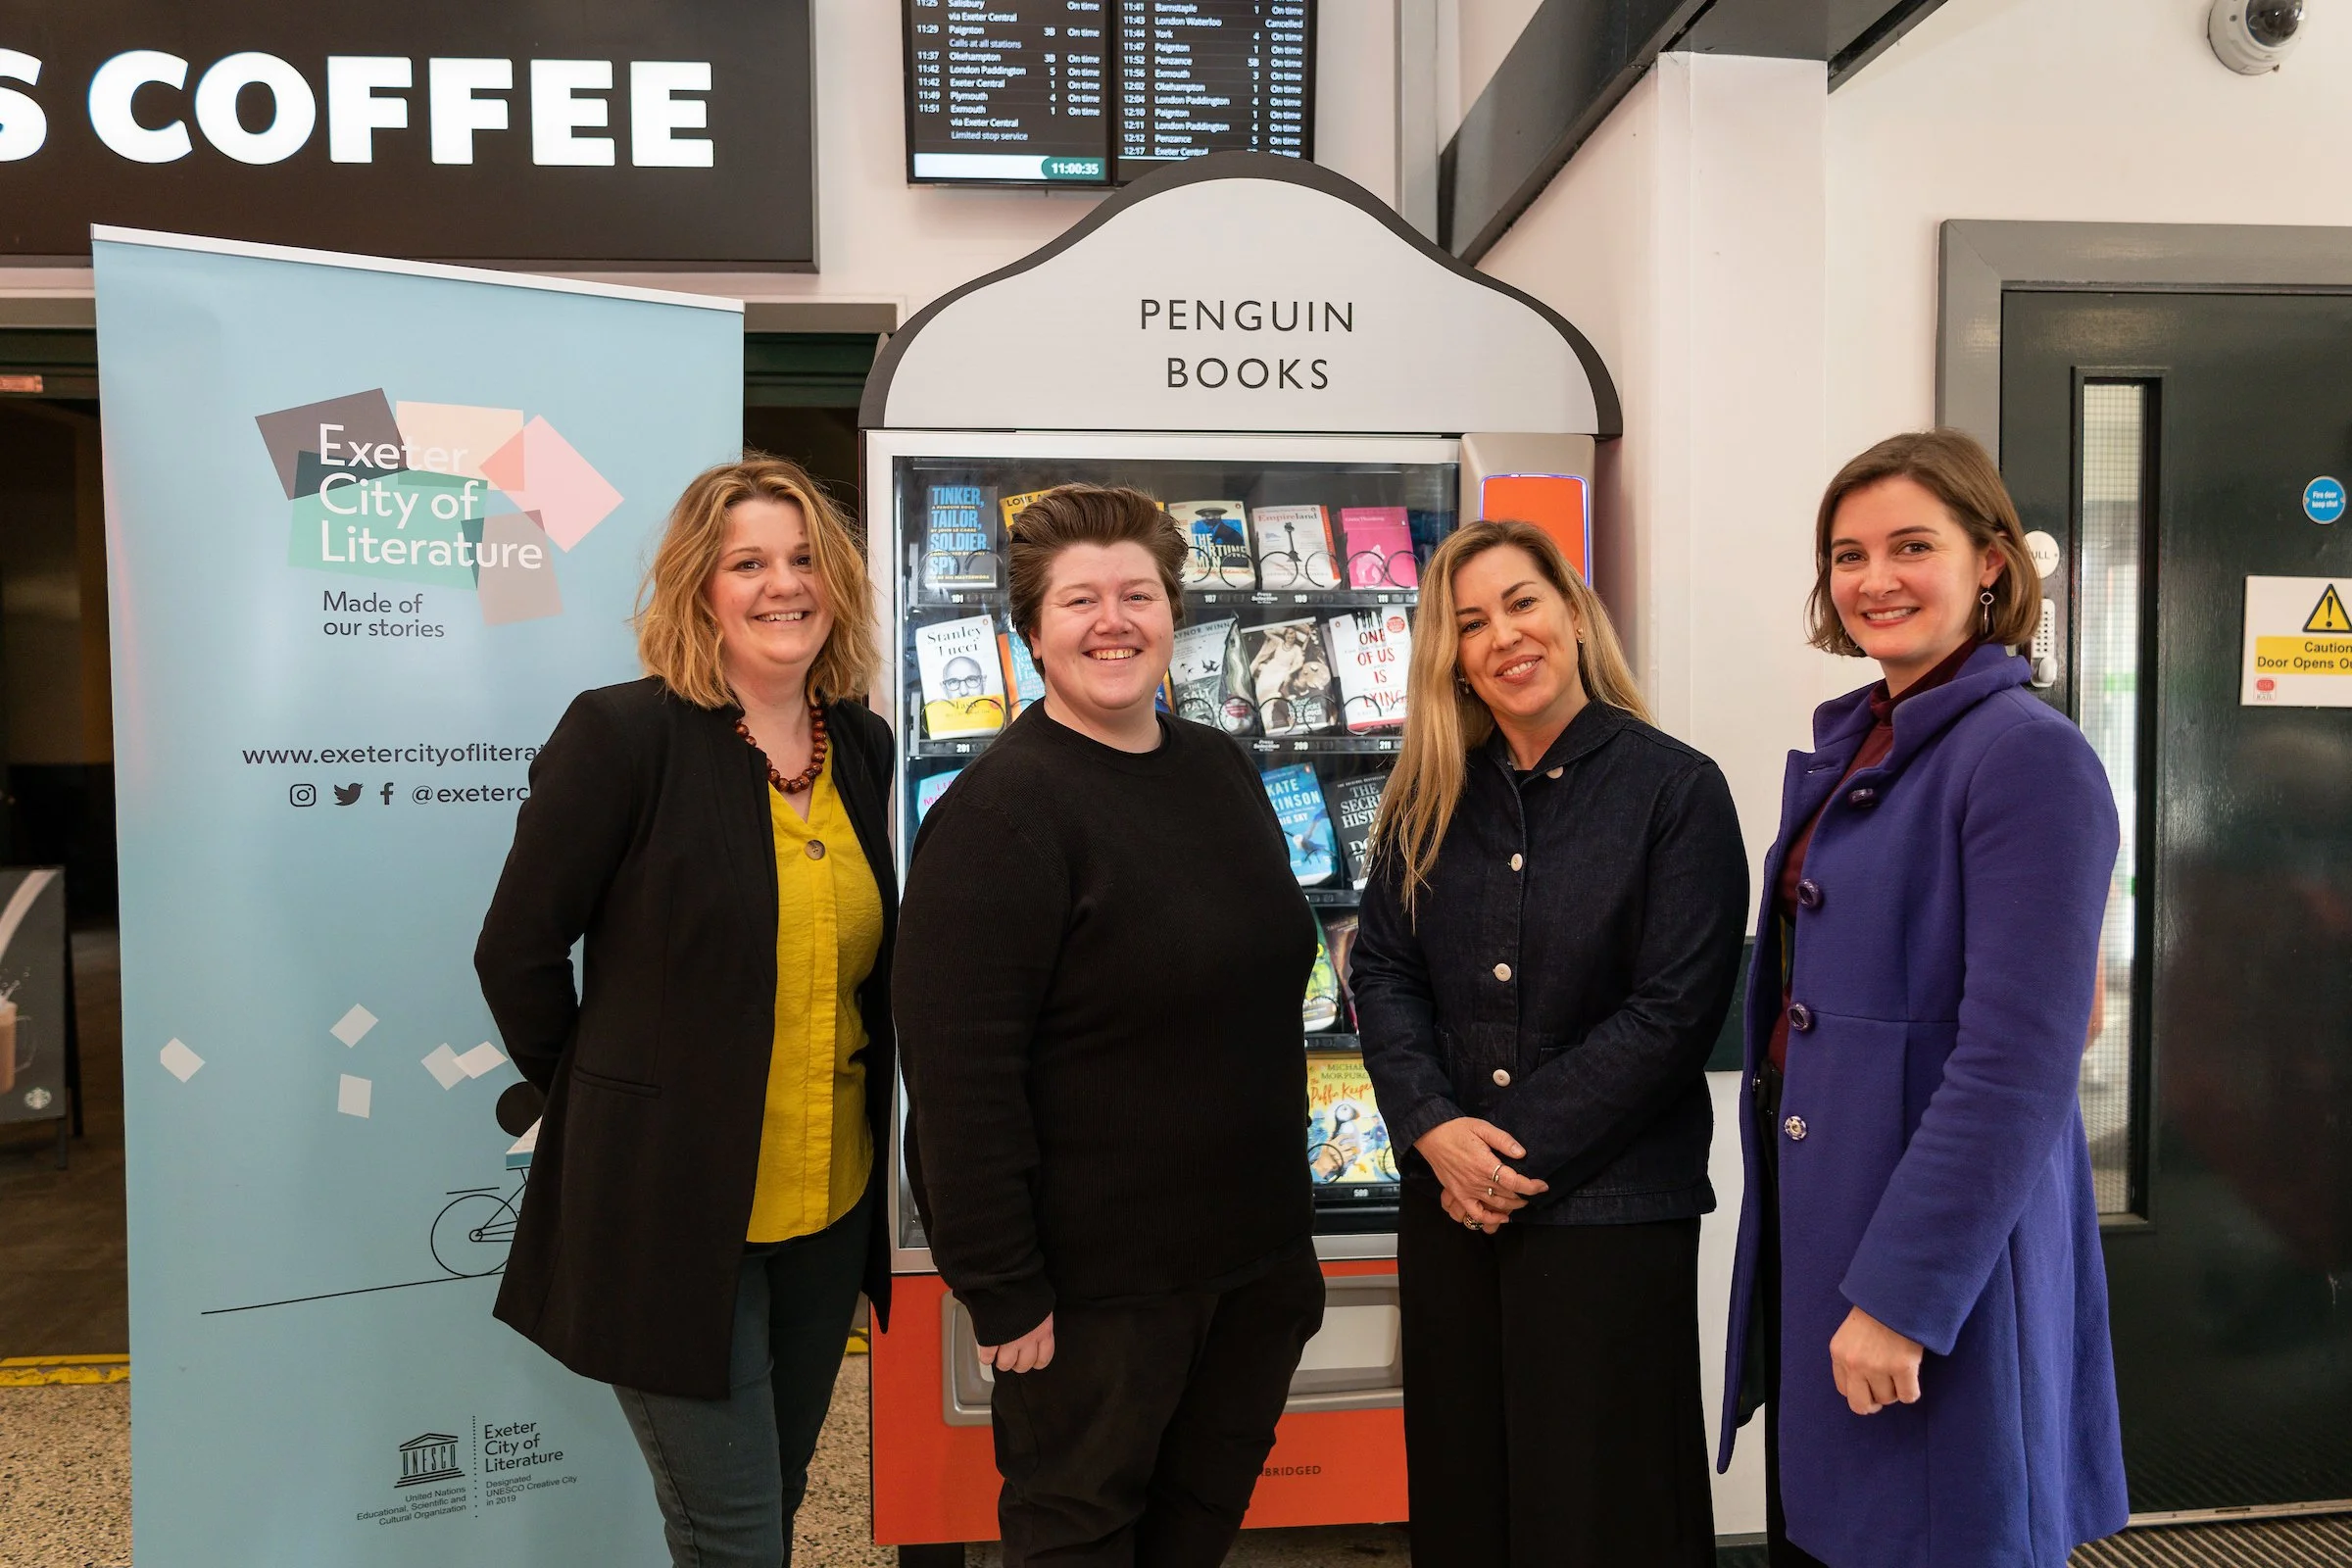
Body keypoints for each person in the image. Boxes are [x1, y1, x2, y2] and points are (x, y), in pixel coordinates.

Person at [474, 455, 896, 1568]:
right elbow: (516, 949)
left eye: (805, 559)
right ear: (699, 587)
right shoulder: (623, 738)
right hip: (666, 1211)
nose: (782, 584)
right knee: (735, 1532)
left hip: (828, 1202)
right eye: (747, 562)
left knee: (776, 1490)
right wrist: (606, 1103)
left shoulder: (861, 745)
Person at [1717, 429, 2129, 1567]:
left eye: (1912, 546)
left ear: (1990, 562)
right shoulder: (1874, 739)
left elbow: (2016, 1063)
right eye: (1848, 555)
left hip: (1938, 1265)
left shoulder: (2025, 757)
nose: (1874, 579)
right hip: (1843, 1223)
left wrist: (1903, 1295)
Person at [894, 485, 1326, 1568]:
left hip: (1253, 1271)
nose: (1113, 620)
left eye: (1137, 592)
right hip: (1092, 1302)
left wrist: (1285, 1263)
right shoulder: (998, 815)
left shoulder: (1220, 767)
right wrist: (1003, 1291)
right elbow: (960, 1083)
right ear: (1029, 629)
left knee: (1192, 1539)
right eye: (1079, 599)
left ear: (1172, 612)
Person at [1351, 520, 1748, 1568]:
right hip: (1450, 1210)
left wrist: (1492, 1154)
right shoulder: (1428, 792)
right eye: (1468, 622)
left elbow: (1671, 1015)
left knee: (1603, 1513)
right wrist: (1433, 1128)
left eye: (1521, 603)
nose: (1501, 638)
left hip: (1612, 1217)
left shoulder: (1677, 791)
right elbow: (1383, 971)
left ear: (1573, 612)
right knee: (1464, 1493)